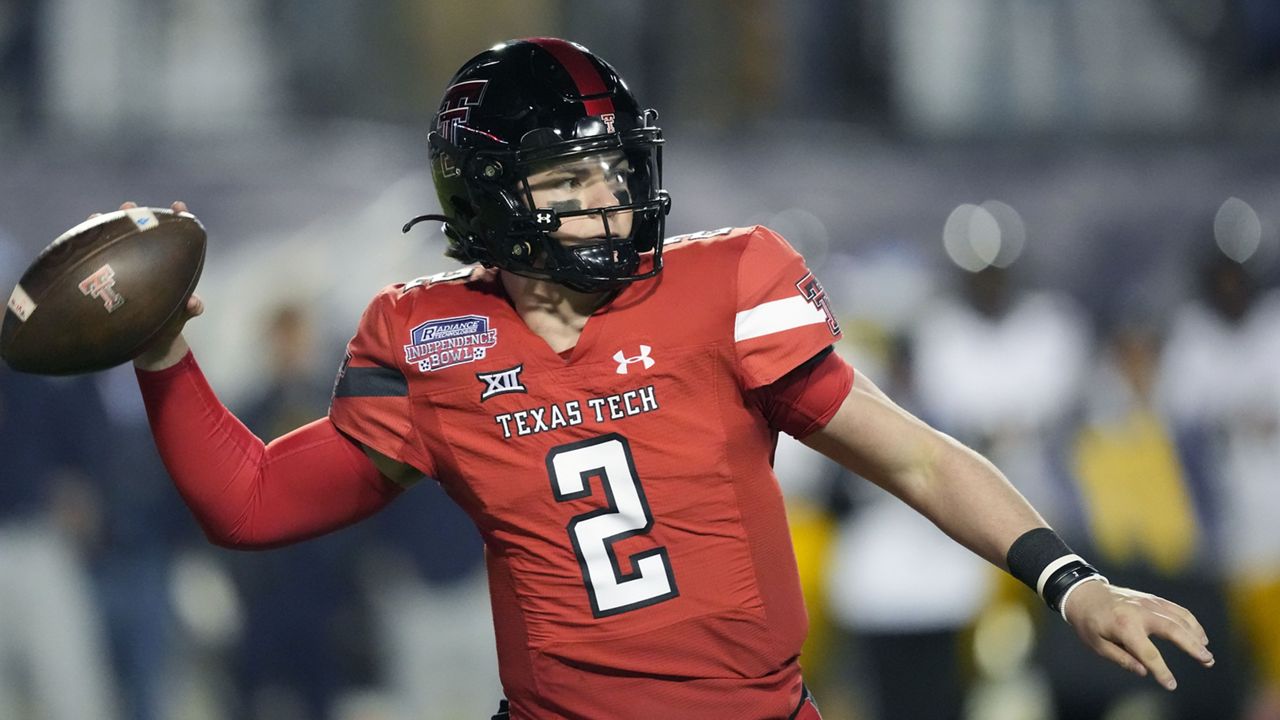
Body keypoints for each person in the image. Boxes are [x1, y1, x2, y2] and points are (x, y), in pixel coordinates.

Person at [118, 38, 1213, 719]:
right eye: (569, 177)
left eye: (614, 167)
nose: (607, 199)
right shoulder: (430, 339)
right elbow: (253, 501)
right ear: (489, 197)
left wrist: (1071, 582)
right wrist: (164, 354)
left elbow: (917, 458)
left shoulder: (724, 286)